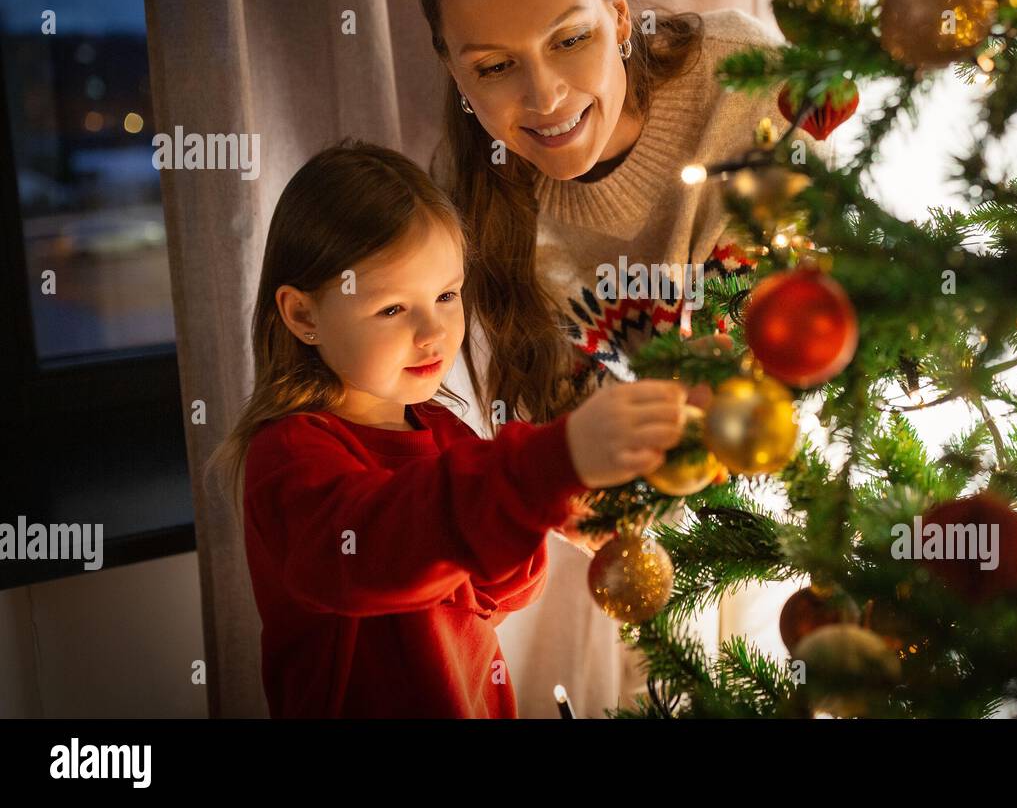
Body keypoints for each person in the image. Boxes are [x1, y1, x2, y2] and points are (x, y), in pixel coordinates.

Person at [411, 0, 826, 716]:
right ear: (452, 68)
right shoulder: (471, 203)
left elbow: (830, 299)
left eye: (570, 39)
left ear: (620, 13)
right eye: (494, 67)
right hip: (643, 552)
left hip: (803, 487)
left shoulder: (738, 80)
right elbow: (538, 447)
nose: (546, 97)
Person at [207, 141, 688, 717]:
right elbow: (381, 549)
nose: (433, 332)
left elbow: (493, 594)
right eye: (392, 309)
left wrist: (543, 510)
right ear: (304, 316)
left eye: (446, 295)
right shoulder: (289, 454)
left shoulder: (442, 430)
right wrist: (542, 466)